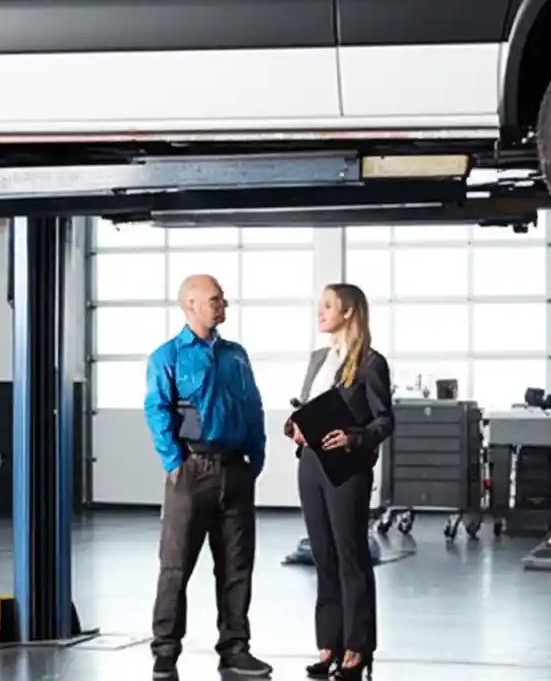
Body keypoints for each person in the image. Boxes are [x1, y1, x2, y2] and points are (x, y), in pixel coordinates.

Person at [144, 273, 274, 679]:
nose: (223, 306)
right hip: (191, 471)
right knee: (176, 565)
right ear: (191, 305)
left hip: (235, 468)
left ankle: (235, 648)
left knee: (237, 566)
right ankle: (165, 651)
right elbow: (156, 410)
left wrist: (256, 458)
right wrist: (174, 463)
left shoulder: (237, 355)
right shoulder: (168, 356)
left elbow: (253, 406)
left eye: (223, 300)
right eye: (215, 300)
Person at [286, 283, 393, 680]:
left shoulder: (370, 363)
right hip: (311, 464)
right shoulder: (318, 359)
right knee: (323, 556)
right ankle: (328, 643)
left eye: (328, 305)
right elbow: (304, 408)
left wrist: (354, 436)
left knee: (351, 556)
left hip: (347, 468)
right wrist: (293, 427)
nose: (321, 311)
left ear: (349, 312)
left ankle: (357, 646)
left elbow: (385, 420)